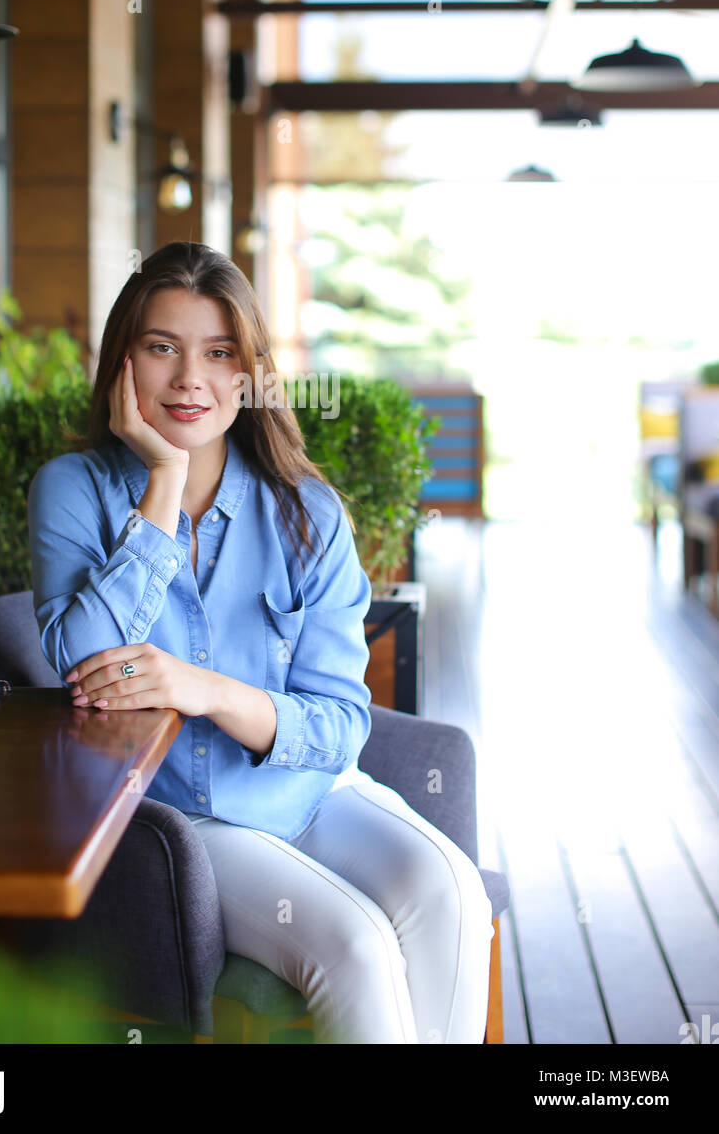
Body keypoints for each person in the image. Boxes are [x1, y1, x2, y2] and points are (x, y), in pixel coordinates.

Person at [27, 240, 494, 1044]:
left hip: (311, 791)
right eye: (160, 348)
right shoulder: (75, 490)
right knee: (355, 946)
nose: (188, 380)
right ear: (122, 364)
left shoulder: (306, 512)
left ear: (248, 376)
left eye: (217, 353)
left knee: (452, 889)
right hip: (182, 819)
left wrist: (203, 690)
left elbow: (343, 724)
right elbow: (82, 664)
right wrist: (163, 485)